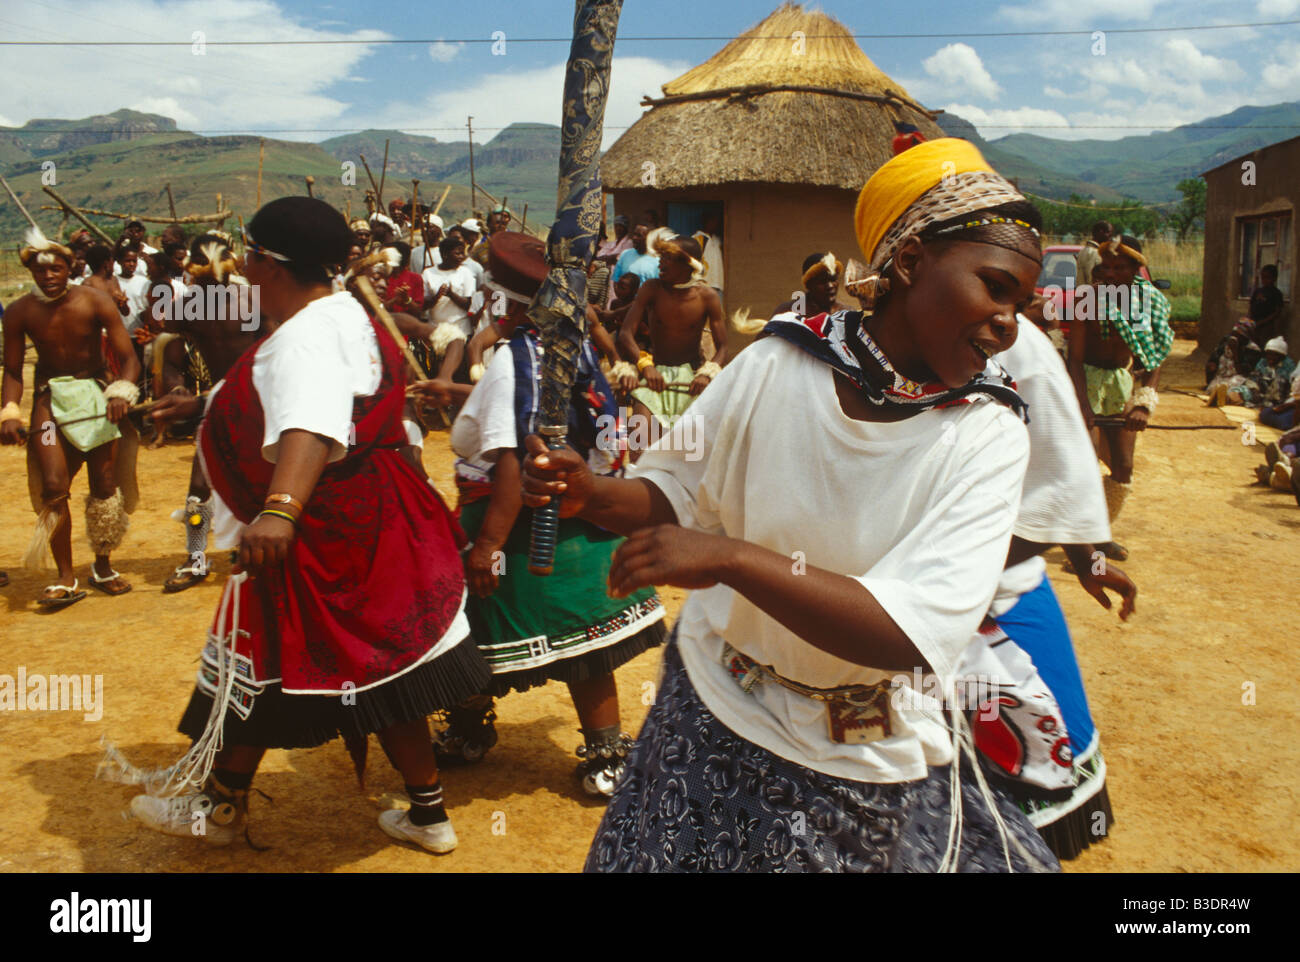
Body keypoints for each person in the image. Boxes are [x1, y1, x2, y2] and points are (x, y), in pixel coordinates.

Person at [524, 138, 1062, 873]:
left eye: (1021, 303)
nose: (1010, 322)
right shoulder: (781, 361)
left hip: (855, 750)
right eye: (995, 288)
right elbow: (673, 492)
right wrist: (594, 493)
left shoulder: (988, 433)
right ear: (908, 264)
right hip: (713, 700)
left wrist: (730, 558)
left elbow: (908, 631)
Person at [113, 196, 492, 855]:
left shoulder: (305, 334)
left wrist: (280, 511)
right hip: (379, 514)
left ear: (269, 265)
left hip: (325, 529)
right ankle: (428, 814)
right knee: (388, 667)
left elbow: (312, 420)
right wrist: (204, 403)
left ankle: (220, 807)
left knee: (268, 659)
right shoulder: (342, 309)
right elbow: (314, 393)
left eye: (249, 257)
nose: (241, 272)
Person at [430, 232, 667, 793]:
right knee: (588, 647)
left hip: (518, 528)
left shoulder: (516, 360)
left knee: (471, 634)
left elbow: (513, 463)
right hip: (585, 520)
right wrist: (460, 393)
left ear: (507, 303)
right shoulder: (574, 347)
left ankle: (468, 731)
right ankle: (606, 754)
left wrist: (487, 546)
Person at [989, 315, 1137, 859]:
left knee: (1037, 792)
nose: (1000, 310)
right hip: (883, 609)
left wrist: (1087, 558)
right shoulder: (844, 349)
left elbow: (1057, 460)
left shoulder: (1017, 347)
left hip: (1004, 598)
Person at [1, 228, 142, 609]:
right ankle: (65, 576)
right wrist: (9, 412)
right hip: (49, 403)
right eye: (40, 272)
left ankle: (102, 565)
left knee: (104, 484)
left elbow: (129, 360)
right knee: (52, 486)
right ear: (31, 272)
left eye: (56, 269)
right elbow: (13, 371)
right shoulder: (19, 313)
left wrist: (120, 393)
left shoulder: (95, 302)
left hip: (95, 396)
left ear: (70, 267)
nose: (48, 277)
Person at [160, 235, 266, 594]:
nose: (213, 281)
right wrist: (177, 388)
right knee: (198, 488)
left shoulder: (251, 301)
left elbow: (272, 351)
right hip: (216, 404)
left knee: (260, 482)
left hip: (257, 402)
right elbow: (169, 353)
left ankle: (250, 550)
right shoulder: (188, 307)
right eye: (205, 275)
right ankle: (196, 556)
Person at [1067, 236, 1172, 561]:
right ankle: (1085, 549)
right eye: (1106, 267)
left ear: (1136, 269)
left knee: (1123, 466)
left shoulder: (1148, 304)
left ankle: (1102, 535)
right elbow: (1075, 359)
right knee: (1084, 466)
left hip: (1120, 384)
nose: (1110, 274)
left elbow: (1153, 360)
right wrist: (1082, 405)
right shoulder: (1088, 299)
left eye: (1119, 267)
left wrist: (1143, 403)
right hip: (1085, 382)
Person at [615, 230, 725, 455]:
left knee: (691, 454)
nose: (660, 263)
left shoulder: (707, 297)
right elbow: (626, 333)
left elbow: (723, 347)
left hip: (692, 380)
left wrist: (706, 374)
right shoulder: (652, 289)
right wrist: (646, 366)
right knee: (639, 443)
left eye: (668, 258)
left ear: (688, 265)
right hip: (654, 377)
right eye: (661, 257)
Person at [421, 235, 477, 380]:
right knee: (437, 370)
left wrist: (451, 294)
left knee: (459, 372)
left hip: (461, 329)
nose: (462, 257)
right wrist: (437, 297)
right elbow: (423, 305)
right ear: (445, 254)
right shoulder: (428, 273)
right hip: (437, 330)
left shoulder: (465, 273)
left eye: (462, 253)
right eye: (457, 253)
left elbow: (469, 305)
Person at [772, 252, 850, 318]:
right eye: (822, 282)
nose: (830, 286)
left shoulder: (847, 313)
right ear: (809, 285)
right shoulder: (789, 311)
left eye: (833, 279)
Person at [1241, 264, 1285, 348]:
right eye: (1263, 277)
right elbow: (1251, 306)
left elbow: (1277, 312)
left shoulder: (1276, 293)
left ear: (1274, 278)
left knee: (1263, 346)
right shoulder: (1258, 291)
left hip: (1266, 326)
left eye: (1268, 278)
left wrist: (1262, 322)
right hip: (1253, 323)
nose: (1264, 280)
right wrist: (1249, 320)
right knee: (1251, 344)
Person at [692, 211, 725, 303]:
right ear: (706, 222)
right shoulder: (698, 238)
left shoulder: (718, 240)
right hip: (704, 283)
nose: (715, 225)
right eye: (713, 221)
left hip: (718, 283)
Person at [1074, 221, 1111, 291]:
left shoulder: (1083, 251)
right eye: (1108, 232)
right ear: (1101, 232)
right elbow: (1091, 279)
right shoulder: (1094, 253)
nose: (1110, 236)